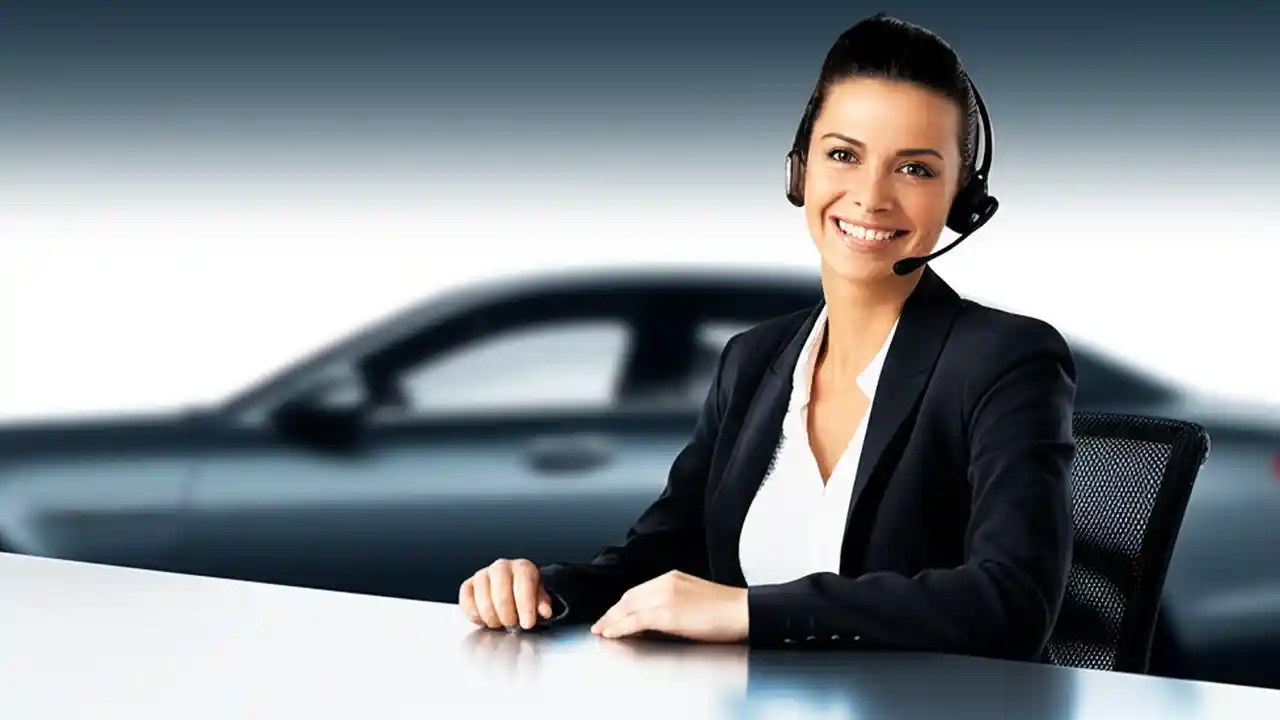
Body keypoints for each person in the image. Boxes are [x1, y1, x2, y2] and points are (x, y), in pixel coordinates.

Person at [458, 12, 1076, 662]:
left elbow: (1013, 602)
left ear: (961, 198)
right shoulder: (752, 363)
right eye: (843, 155)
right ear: (800, 170)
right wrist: (547, 591)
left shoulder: (1005, 360)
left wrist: (750, 612)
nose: (871, 195)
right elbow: (662, 558)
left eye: (915, 169)